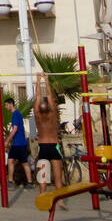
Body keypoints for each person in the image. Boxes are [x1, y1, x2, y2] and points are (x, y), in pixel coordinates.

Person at [33, 74, 66, 209]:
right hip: (53, 146)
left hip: (43, 146)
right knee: (58, 177)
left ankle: (43, 199)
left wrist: (38, 81)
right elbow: (50, 98)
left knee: (43, 176)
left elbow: (37, 98)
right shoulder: (52, 115)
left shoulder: (37, 116)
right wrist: (45, 81)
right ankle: (60, 201)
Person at [2, 96, 33, 187]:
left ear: (11, 104)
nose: (6, 107)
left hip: (18, 143)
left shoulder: (15, 114)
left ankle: (14, 181)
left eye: (6, 105)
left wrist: (7, 140)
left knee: (18, 162)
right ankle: (15, 181)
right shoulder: (18, 114)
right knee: (15, 161)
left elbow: (15, 129)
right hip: (20, 143)